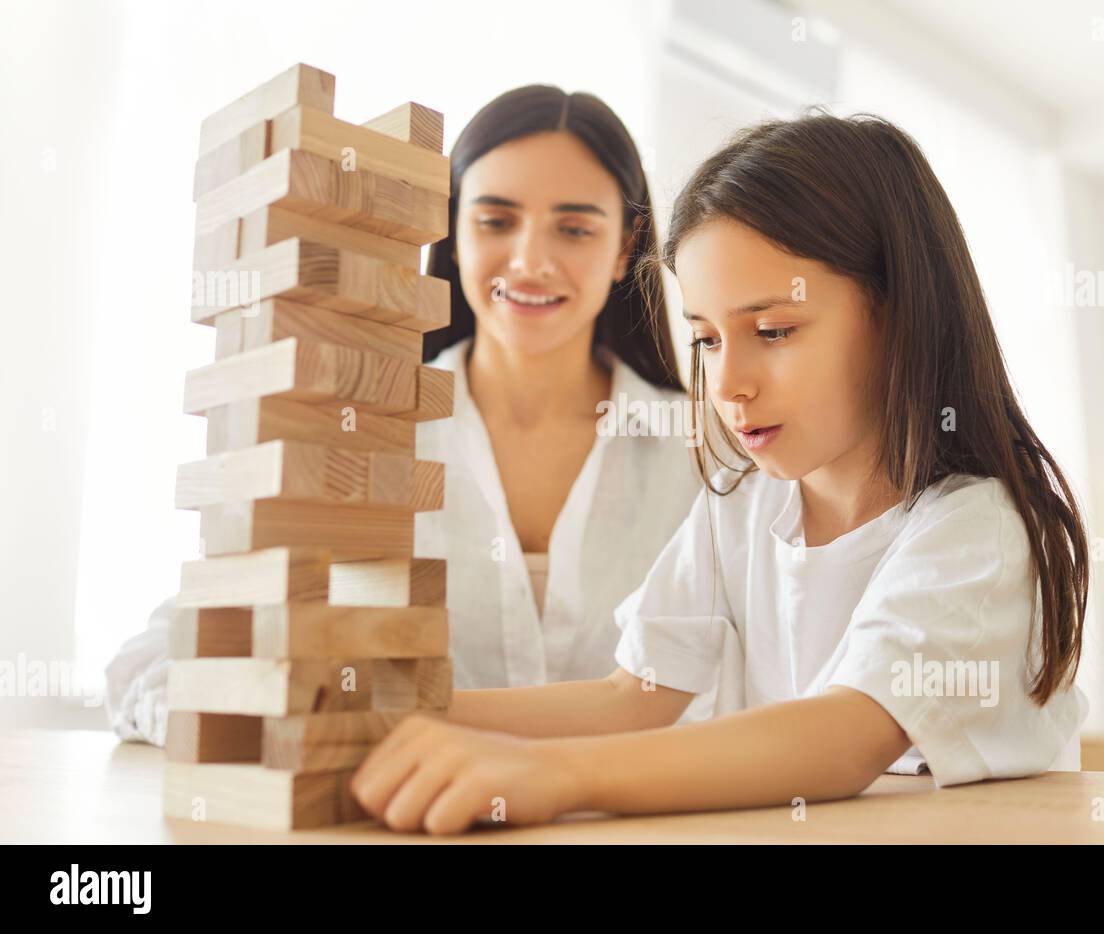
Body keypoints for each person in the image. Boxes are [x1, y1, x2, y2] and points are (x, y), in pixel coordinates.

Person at [347, 113, 1093, 835]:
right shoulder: (741, 503)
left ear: (900, 315)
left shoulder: (977, 529)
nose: (728, 383)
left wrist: (556, 775)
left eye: (773, 331)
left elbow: (844, 737)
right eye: (705, 339)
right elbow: (633, 695)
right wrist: (379, 716)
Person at [104, 86, 707, 744]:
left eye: (574, 228)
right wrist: (246, 714)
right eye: (496, 220)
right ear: (449, 227)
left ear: (627, 244)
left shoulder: (707, 456)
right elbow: (166, 650)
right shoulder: (361, 434)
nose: (531, 261)